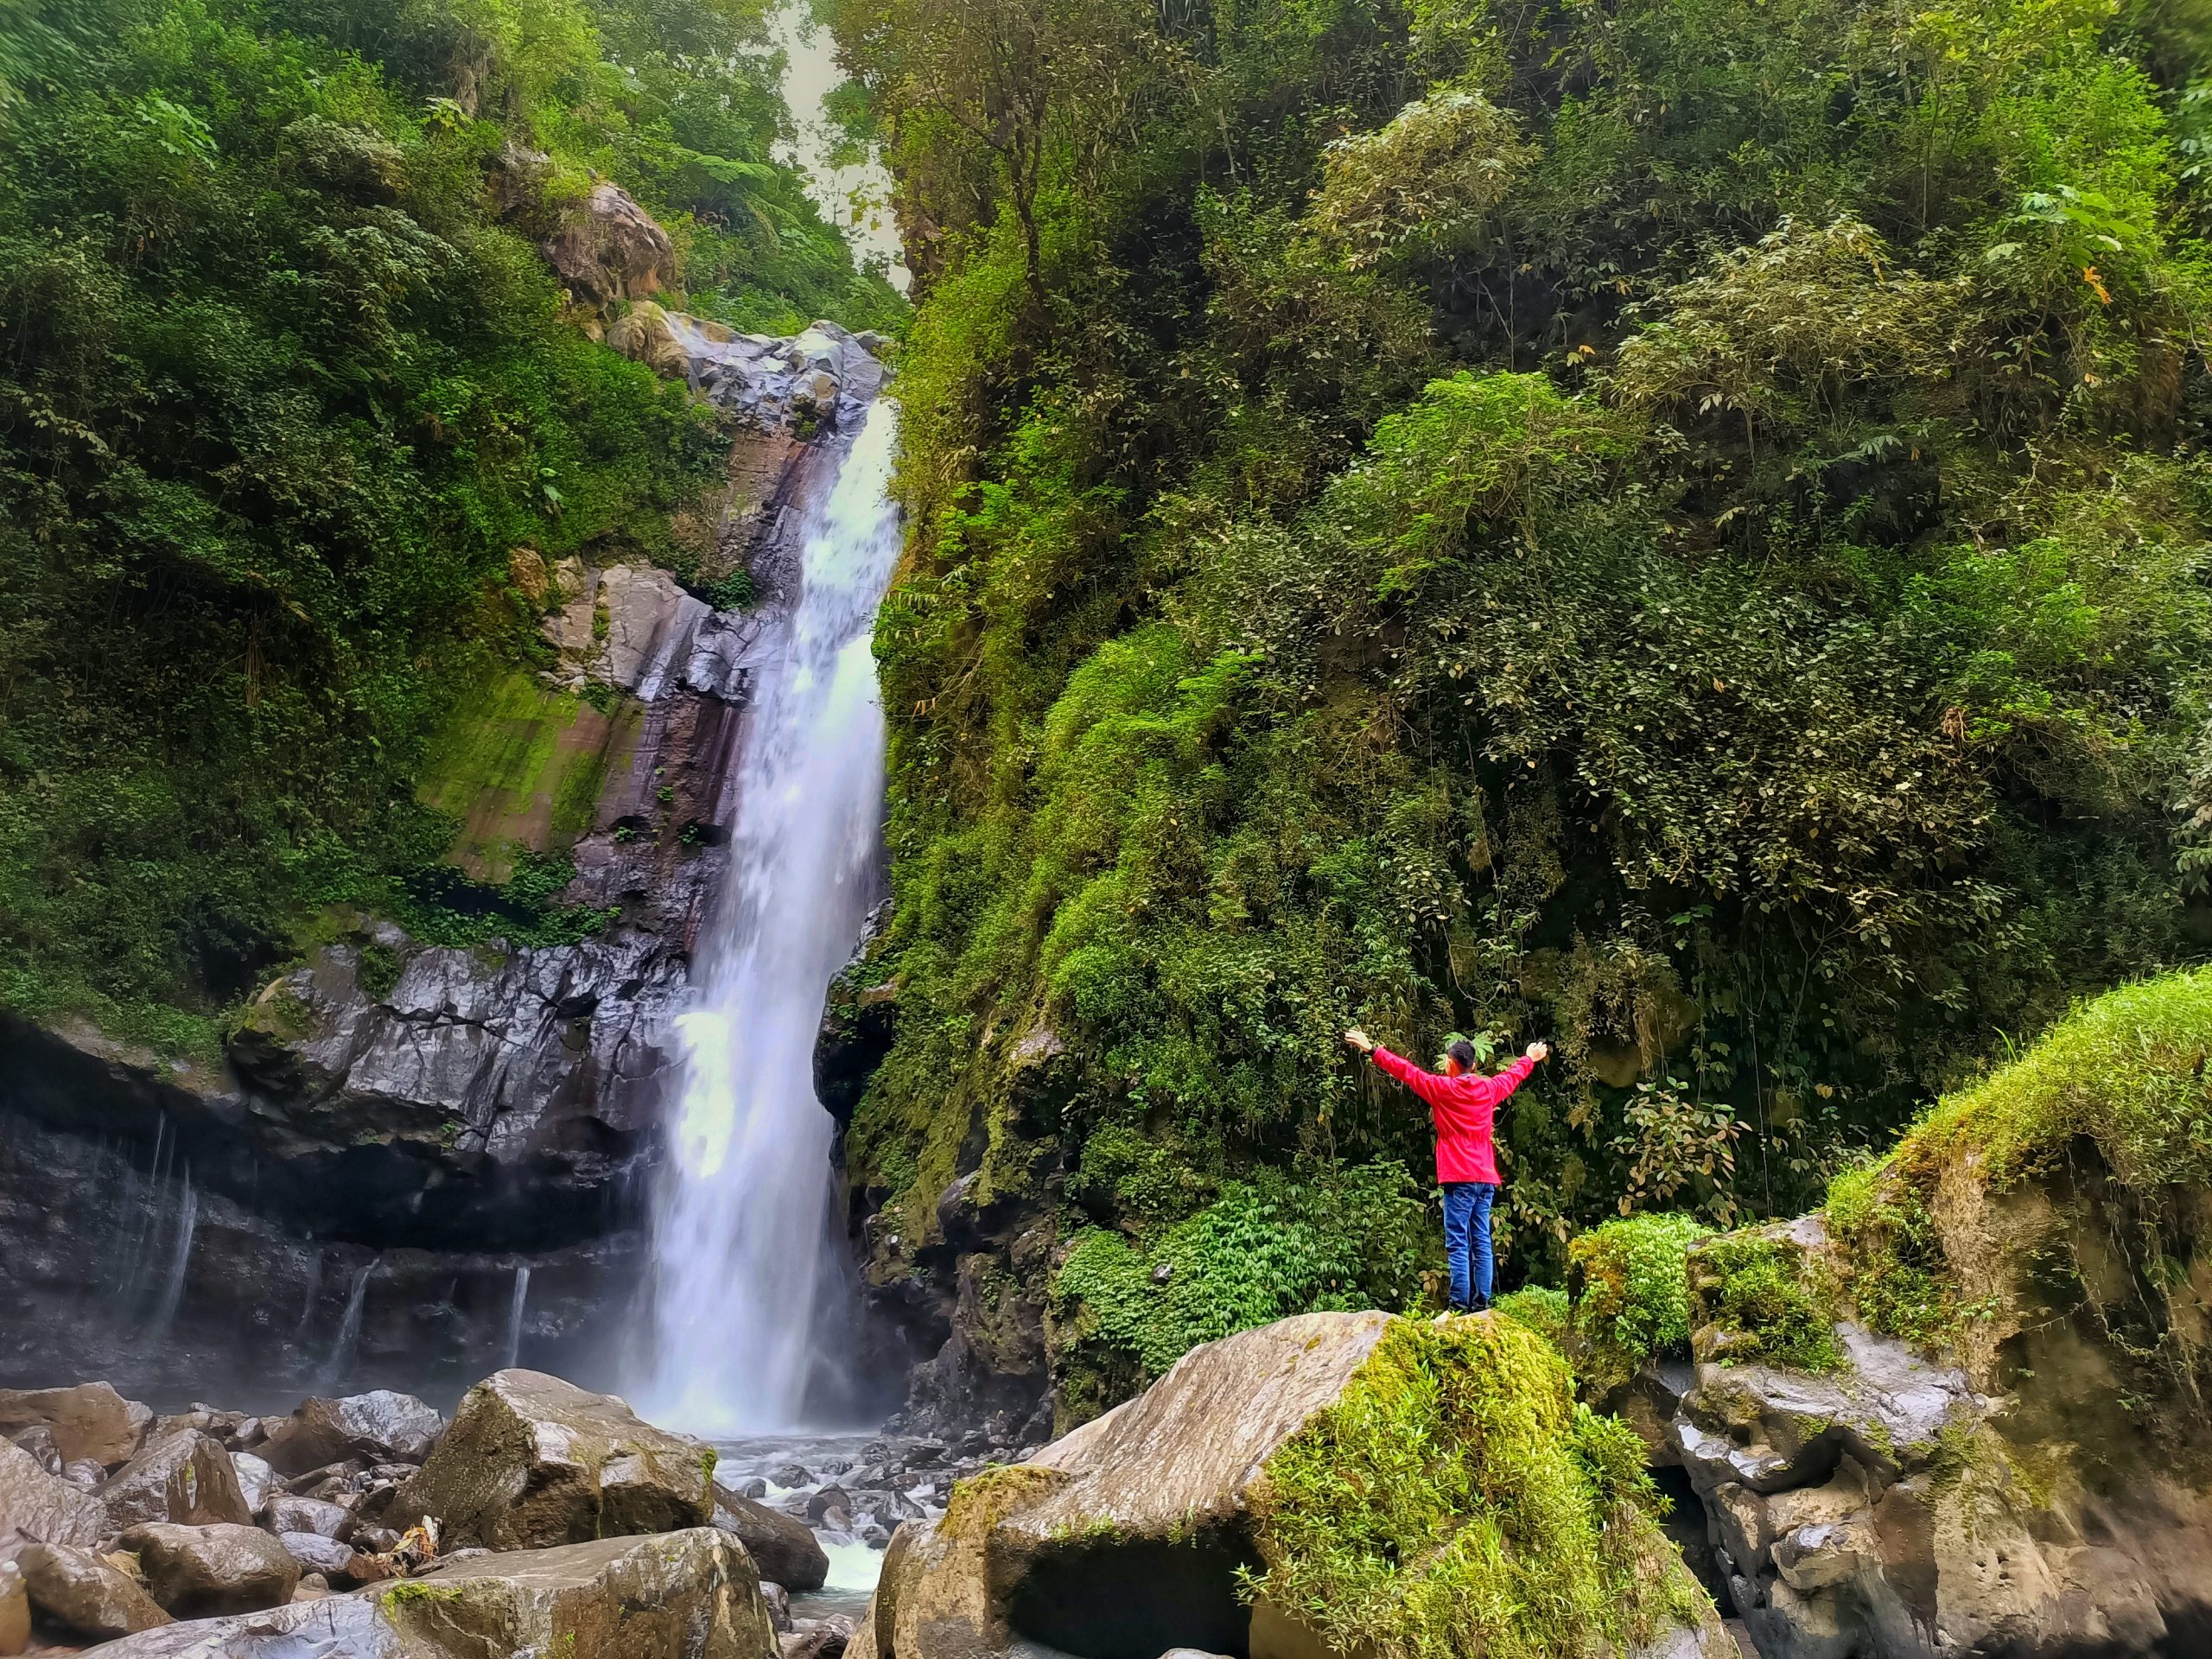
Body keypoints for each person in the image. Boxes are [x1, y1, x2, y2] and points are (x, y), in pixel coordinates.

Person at [1343, 1027, 1548, 1314]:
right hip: (1485, 1177)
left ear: (1451, 1065)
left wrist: (1372, 1050)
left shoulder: (1443, 1089)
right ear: (1474, 1066)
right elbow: (1511, 1076)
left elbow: (1408, 1072)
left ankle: (1458, 1307)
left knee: (1457, 1242)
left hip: (1458, 1176)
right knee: (1480, 1240)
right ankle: (1481, 1305)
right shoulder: (1488, 1089)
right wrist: (1529, 1058)